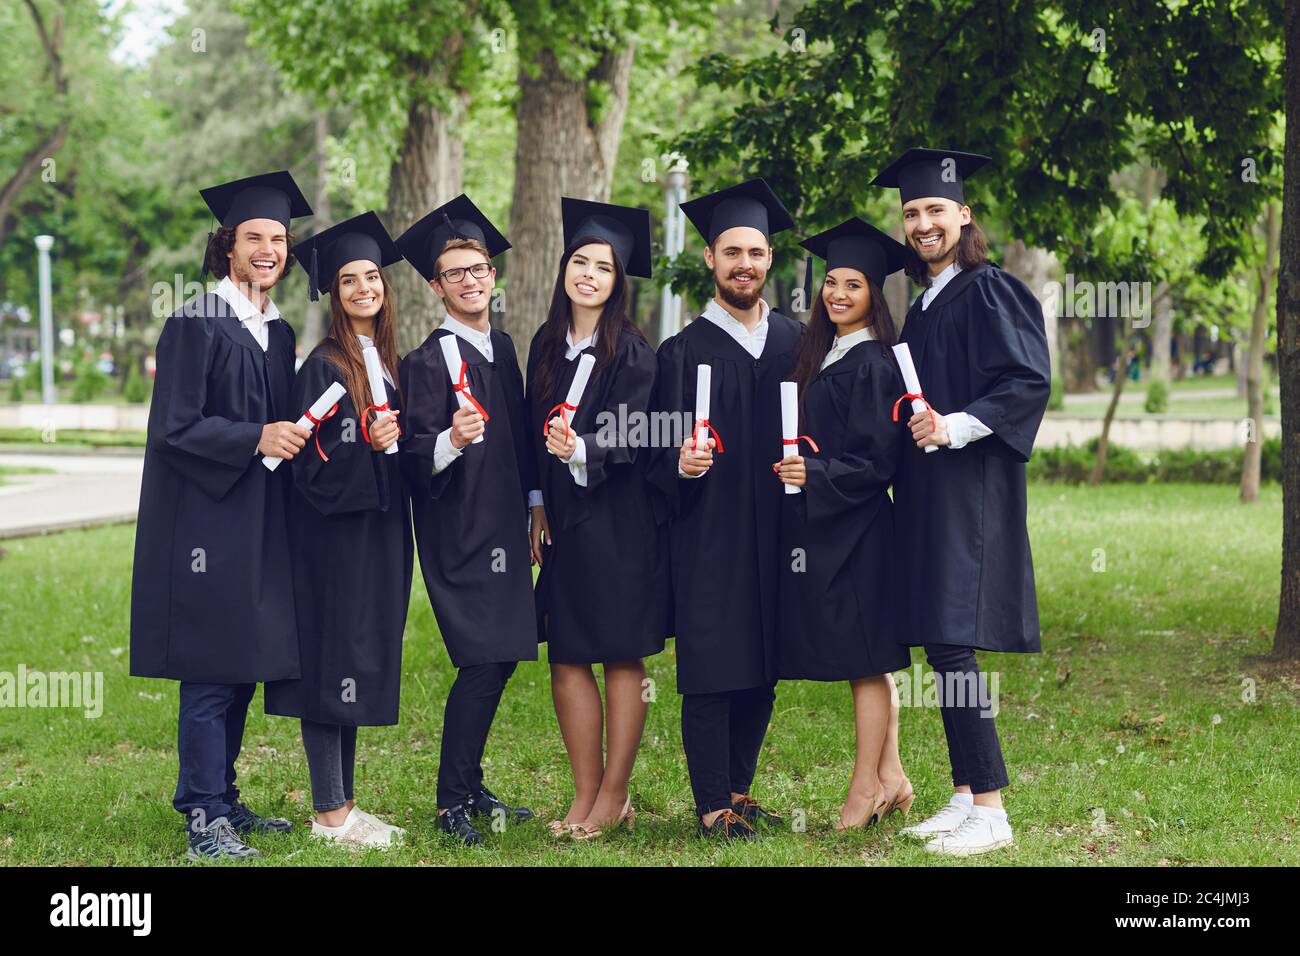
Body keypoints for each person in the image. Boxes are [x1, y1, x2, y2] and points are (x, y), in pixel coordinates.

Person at [870, 147, 1051, 855]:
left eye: (936, 210)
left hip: (970, 491)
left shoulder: (989, 288)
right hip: (928, 490)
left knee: (953, 647)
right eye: (912, 212)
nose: (923, 223)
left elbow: (1027, 382)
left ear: (963, 215)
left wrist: (953, 426)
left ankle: (995, 810)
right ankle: (963, 795)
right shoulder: (923, 304)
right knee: (941, 641)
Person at [130, 170, 313, 861]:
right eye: (254, 237)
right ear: (228, 247)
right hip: (205, 523)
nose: (267, 248)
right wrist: (254, 437)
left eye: (278, 238)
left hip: (260, 519)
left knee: (241, 663)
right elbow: (174, 428)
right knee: (210, 670)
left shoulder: (278, 332)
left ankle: (223, 797)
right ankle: (204, 816)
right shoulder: (195, 321)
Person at [646, 178, 802, 840]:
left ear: (770, 261)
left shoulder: (798, 344)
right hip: (707, 534)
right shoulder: (680, 354)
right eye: (732, 252)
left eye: (757, 253)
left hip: (779, 532)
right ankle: (711, 805)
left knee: (763, 665)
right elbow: (650, 460)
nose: (745, 264)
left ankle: (740, 790)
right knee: (712, 667)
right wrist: (678, 465)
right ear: (710, 259)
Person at [263, 211, 413, 849]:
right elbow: (308, 467)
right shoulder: (323, 366)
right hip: (332, 537)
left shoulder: (386, 359)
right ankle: (328, 814)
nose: (362, 289)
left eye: (372, 277)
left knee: (354, 660)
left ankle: (345, 807)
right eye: (348, 280)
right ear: (334, 293)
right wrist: (369, 447)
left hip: (377, 535)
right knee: (329, 663)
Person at [395, 195, 540, 846]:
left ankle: (470, 781)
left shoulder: (503, 347)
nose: (471, 279)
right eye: (455, 273)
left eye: (478, 267)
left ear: (492, 274)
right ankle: (452, 800)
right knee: (484, 660)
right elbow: (410, 458)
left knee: (504, 657)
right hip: (459, 529)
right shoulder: (424, 362)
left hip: (509, 524)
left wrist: (537, 505)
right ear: (435, 286)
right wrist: (450, 437)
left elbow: (523, 435)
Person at [524, 198, 667, 841]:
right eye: (579, 261)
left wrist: (580, 449)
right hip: (563, 523)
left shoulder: (631, 352)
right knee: (567, 655)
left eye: (602, 267)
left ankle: (615, 794)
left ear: (617, 281)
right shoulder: (546, 345)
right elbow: (531, 435)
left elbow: (633, 436)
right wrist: (535, 504)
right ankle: (584, 791)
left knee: (619, 653)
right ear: (563, 269)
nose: (587, 274)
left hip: (618, 521)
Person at [775, 218, 914, 830]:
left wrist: (815, 472)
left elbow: (878, 461)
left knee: (865, 660)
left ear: (873, 296)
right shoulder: (823, 353)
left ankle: (864, 789)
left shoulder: (876, 363)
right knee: (866, 657)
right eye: (830, 282)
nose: (836, 294)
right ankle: (894, 777)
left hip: (859, 527)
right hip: (828, 526)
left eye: (852, 285)